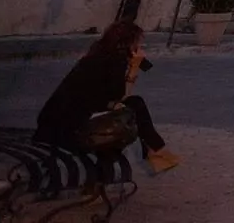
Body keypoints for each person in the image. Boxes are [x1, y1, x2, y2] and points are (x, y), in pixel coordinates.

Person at [34, 21, 180, 173]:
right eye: (137, 43)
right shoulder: (114, 61)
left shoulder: (99, 55)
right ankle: (155, 151)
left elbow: (107, 98)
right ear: (127, 44)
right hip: (67, 130)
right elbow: (119, 97)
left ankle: (155, 151)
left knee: (135, 103)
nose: (139, 48)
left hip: (52, 124)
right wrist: (134, 68)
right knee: (134, 107)